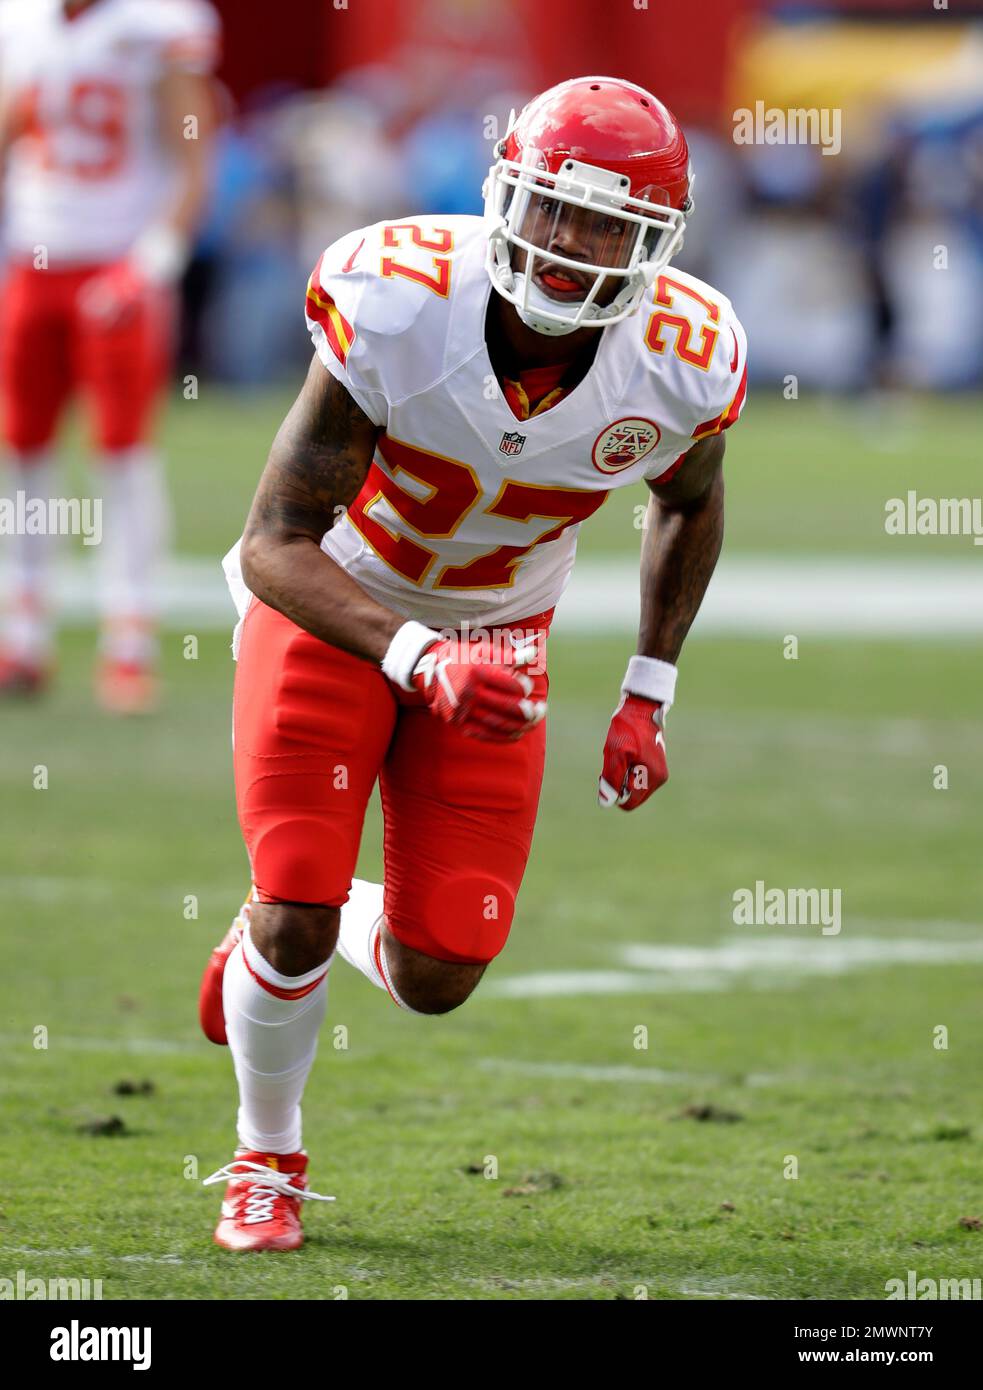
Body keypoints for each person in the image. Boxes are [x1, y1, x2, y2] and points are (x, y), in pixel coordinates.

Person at [199, 76, 748, 1251]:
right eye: (553, 209)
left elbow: (687, 502)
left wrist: (645, 692)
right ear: (506, 194)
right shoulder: (398, 298)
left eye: (607, 223)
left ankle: (263, 935)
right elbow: (274, 543)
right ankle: (265, 1155)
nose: (569, 244)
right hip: (337, 602)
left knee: (440, 965)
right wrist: (412, 654)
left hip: (500, 633)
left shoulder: (681, 357)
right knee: (298, 891)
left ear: (654, 242)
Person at [0, 0, 219, 712]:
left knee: (121, 454)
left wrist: (151, 264)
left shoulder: (155, 24)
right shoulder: (23, 20)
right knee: (23, 449)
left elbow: (195, 155)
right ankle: (23, 630)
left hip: (114, 264)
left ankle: (130, 640)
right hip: (34, 264)